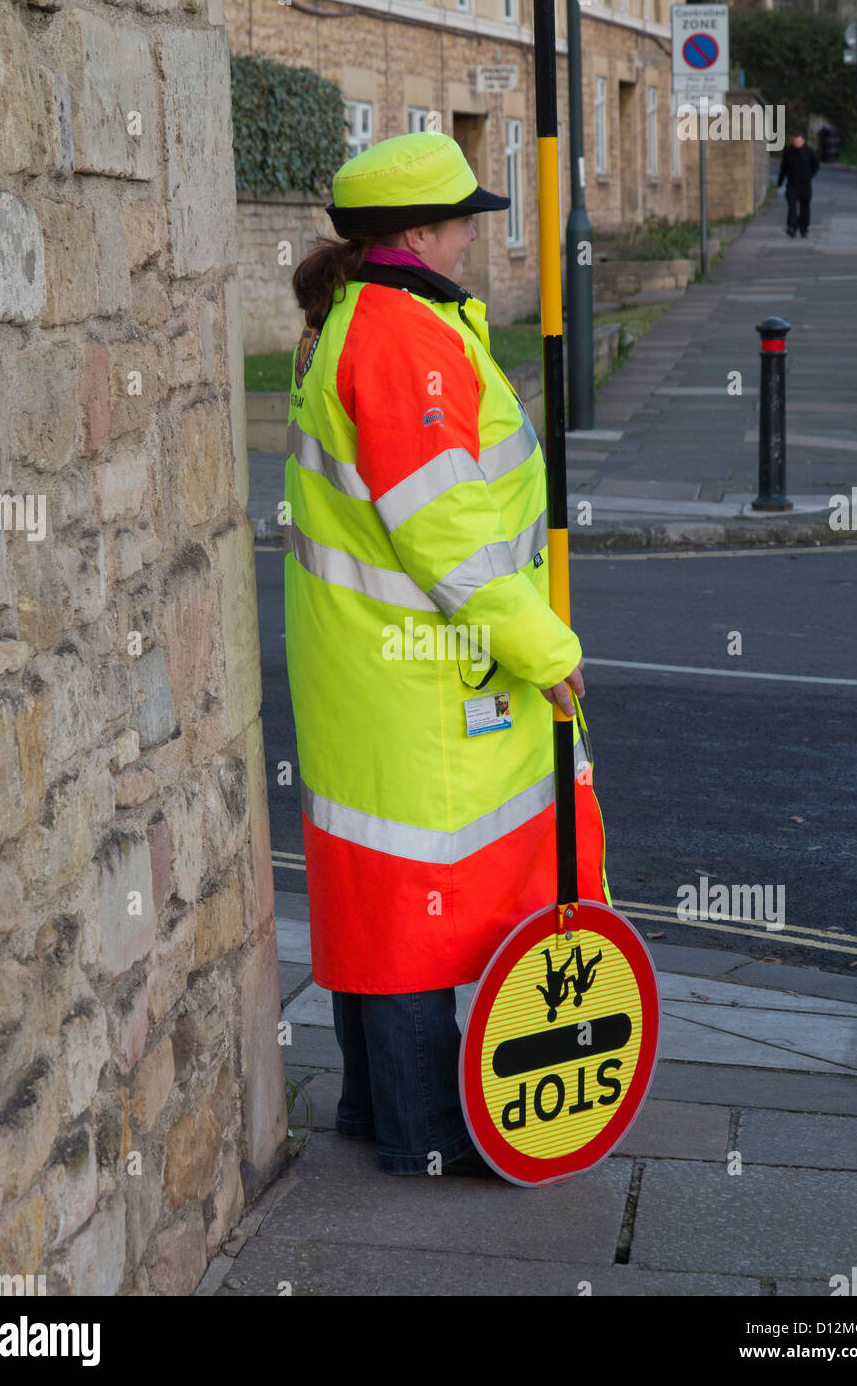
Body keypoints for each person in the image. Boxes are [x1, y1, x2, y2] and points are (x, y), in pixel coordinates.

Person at [284, 132, 610, 1178]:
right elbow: (448, 534)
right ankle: (421, 1137)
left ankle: (379, 1111)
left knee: (385, 897)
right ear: (421, 233)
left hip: (376, 674)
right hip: (421, 675)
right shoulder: (400, 336)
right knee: (413, 904)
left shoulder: (367, 319)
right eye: (466, 216)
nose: (476, 231)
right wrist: (545, 646)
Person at [778, 132, 819, 238]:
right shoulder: (788, 152)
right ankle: (791, 227)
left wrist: (809, 175)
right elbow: (783, 169)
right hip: (792, 184)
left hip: (805, 185)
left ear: (803, 141)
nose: (797, 143)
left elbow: (816, 165)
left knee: (804, 207)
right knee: (792, 206)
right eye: (795, 141)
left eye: (799, 141)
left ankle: (804, 228)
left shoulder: (809, 152)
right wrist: (779, 183)